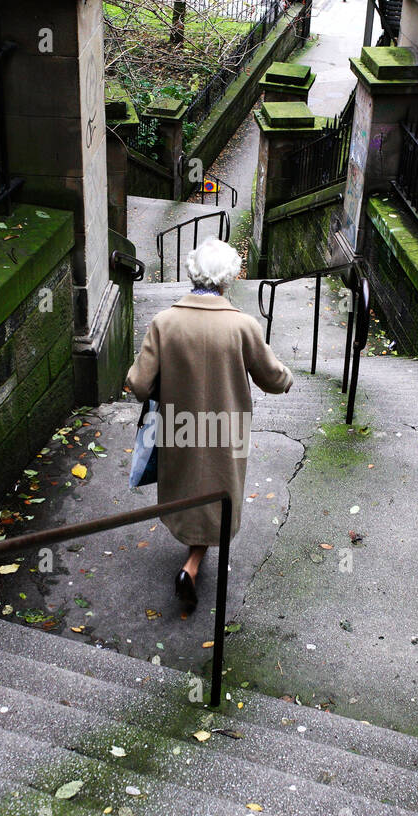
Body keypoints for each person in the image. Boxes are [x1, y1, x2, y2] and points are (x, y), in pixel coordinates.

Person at [125, 237, 293, 616]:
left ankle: (192, 563)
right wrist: (288, 379)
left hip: (179, 427)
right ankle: (192, 566)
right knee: (217, 492)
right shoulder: (242, 325)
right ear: (228, 278)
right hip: (225, 429)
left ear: (193, 271)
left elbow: (136, 383)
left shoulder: (164, 322)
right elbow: (273, 378)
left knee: (187, 486)